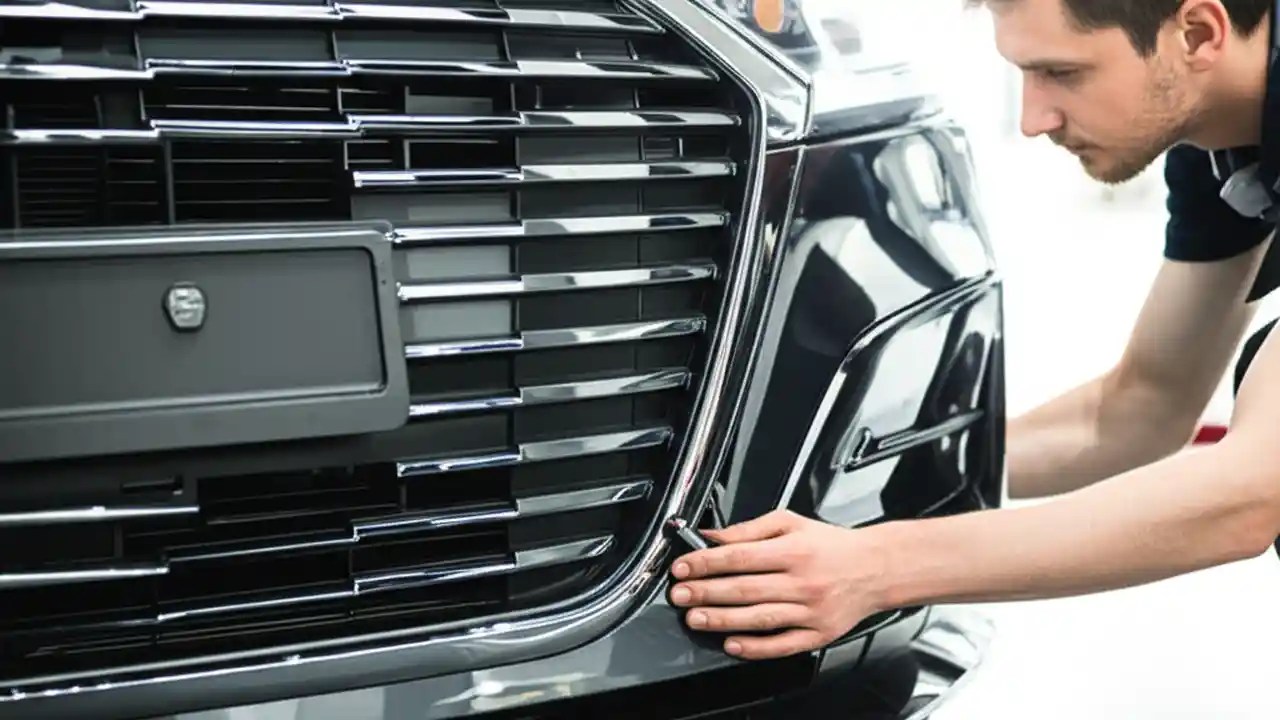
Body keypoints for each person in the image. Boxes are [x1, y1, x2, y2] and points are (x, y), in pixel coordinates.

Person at [666, 0, 1280, 661]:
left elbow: (1248, 494)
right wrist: (835, 493)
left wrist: (874, 566)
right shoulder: (1220, 152)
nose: (1033, 117)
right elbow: (1138, 410)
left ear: (1197, 33)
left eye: (1061, 72)